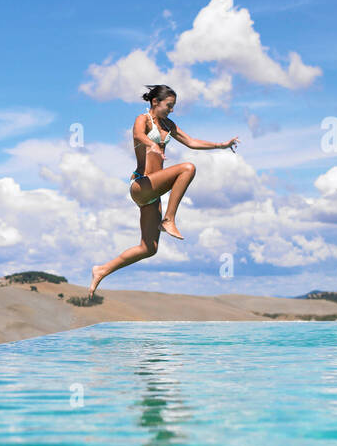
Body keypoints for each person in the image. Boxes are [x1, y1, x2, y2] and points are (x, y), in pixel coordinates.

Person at [88, 84, 238, 298]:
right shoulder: (143, 119)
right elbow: (139, 135)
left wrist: (221, 145)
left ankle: (101, 270)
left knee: (149, 248)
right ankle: (169, 219)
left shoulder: (168, 124)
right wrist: (152, 144)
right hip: (142, 184)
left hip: (153, 193)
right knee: (187, 168)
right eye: (169, 105)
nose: (172, 110)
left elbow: (192, 142)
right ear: (155, 102)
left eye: (173, 106)